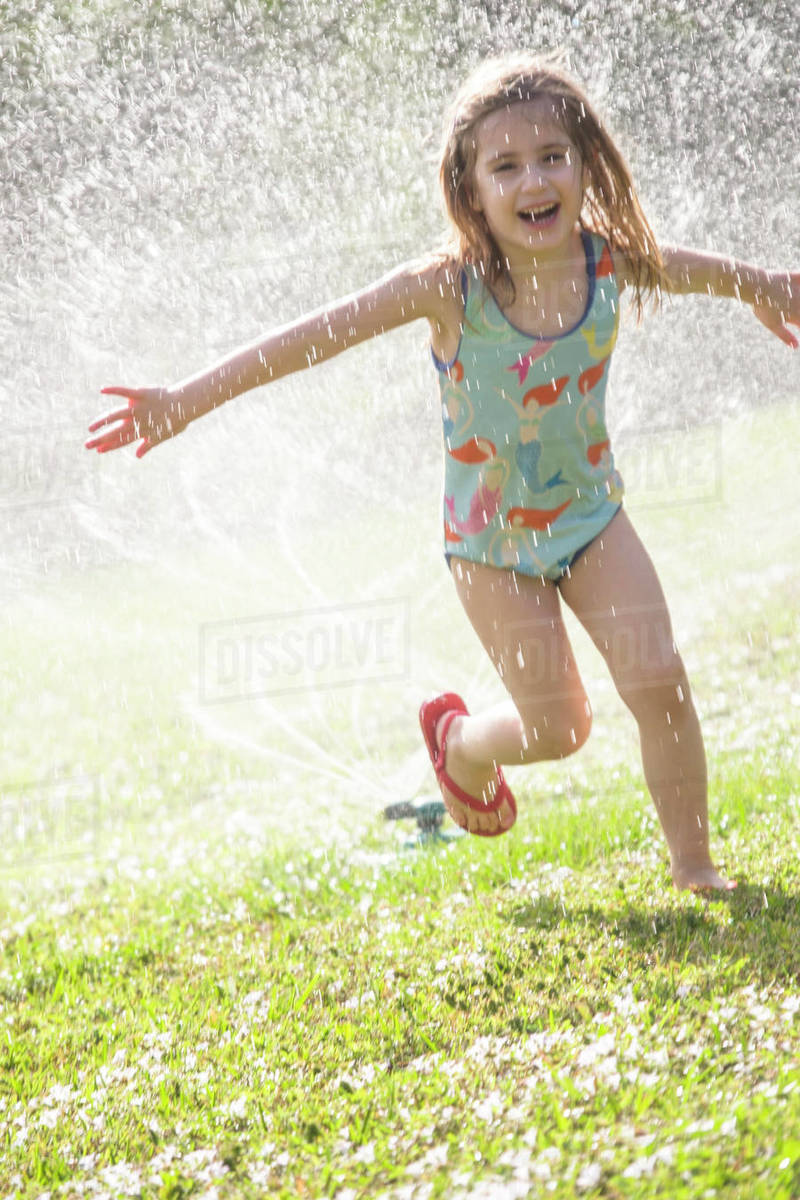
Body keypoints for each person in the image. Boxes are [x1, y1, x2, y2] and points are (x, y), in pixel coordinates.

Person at [86, 54, 800, 891]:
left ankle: (694, 867)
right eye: (506, 166)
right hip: (491, 550)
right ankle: (459, 742)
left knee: (660, 680)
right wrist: (182, 400)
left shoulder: (609, 260)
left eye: (551, 157)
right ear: (472, 191)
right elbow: (307, 339)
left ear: (582, 165)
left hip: (594, 522)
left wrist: (767, 287)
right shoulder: (446, 289)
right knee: (559, 728)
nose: (533, 179)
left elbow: (700, 271)